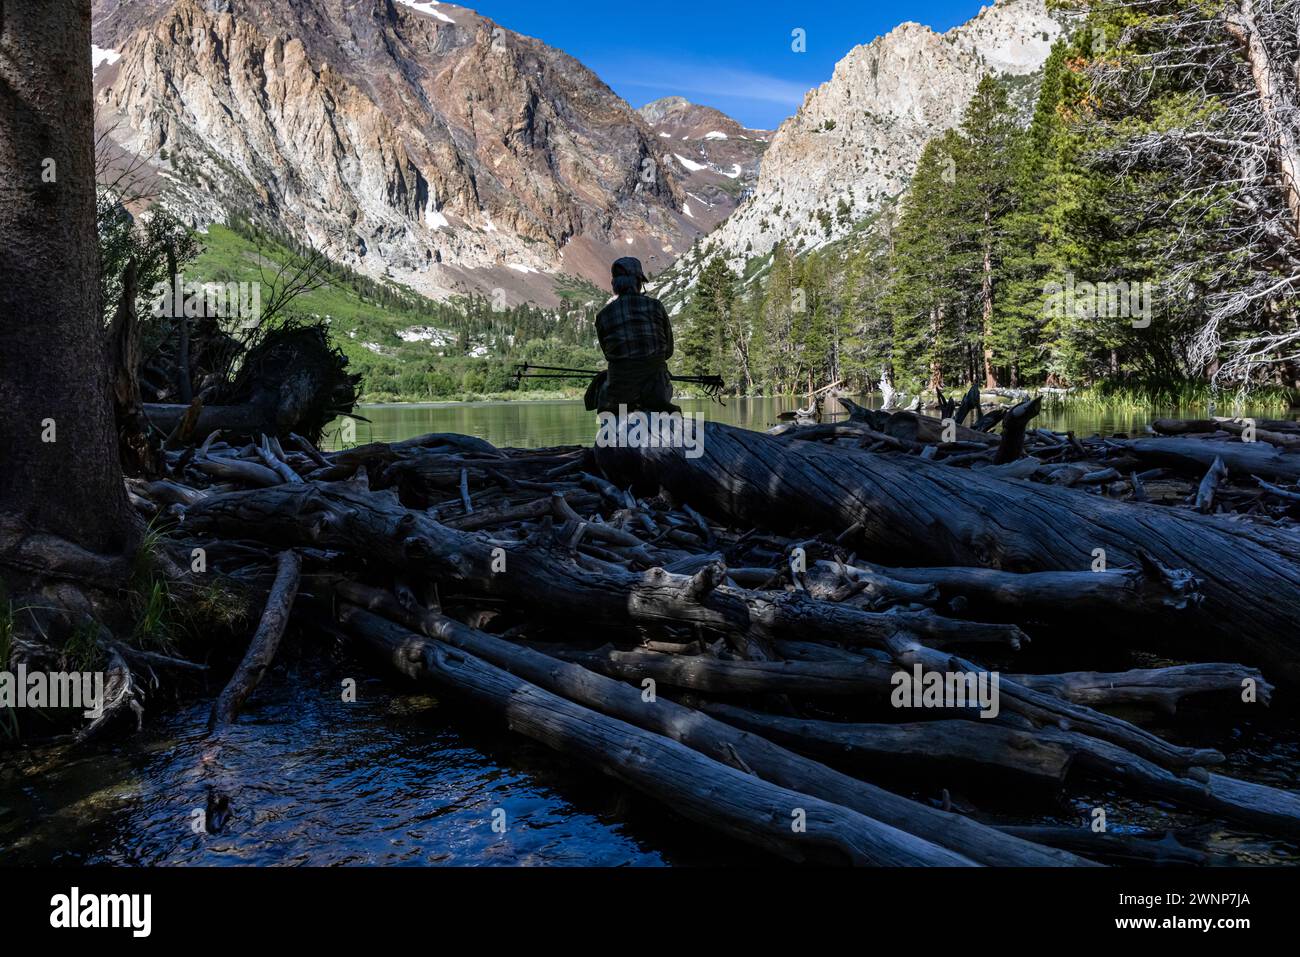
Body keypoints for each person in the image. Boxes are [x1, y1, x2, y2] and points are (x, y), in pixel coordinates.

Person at [591, 257, 680, 414]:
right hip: (657, 391)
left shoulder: (603, 316)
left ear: (614, 285)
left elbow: (608, 355)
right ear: (638, 282)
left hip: (620, 394)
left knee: (604, 383)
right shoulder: (656, 307)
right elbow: (668, 351)